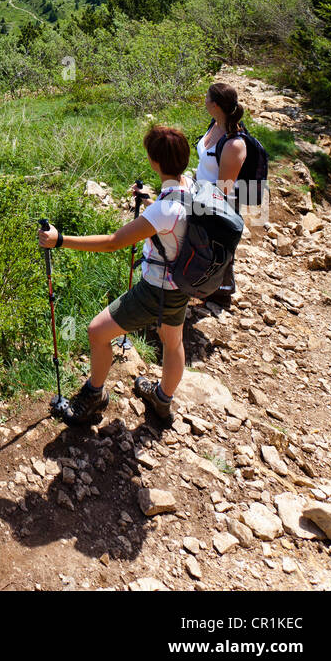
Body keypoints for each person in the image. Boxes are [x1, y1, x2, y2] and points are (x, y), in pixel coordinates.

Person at [38, 125, 193, 426]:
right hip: (182, 285)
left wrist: (60, 240)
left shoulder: (164, 210)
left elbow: (113, 242)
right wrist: (150, 199)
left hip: (155, 291)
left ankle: (95, 394)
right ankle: (163, 400)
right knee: (173, 342)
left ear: (154, 162)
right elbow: (172, 219)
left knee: (97, 331)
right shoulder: (191, 188)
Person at [195, 81, 247, 308]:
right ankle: (202, 284)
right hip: (201, 194)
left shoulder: (234, 142)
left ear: (214, 104)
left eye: (206, 96)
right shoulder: (213, 125)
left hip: (218, 201)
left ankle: (223, 290)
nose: (203, 100)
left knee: (219, 247)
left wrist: (202, 206)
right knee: (201, 245)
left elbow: (225, 186)